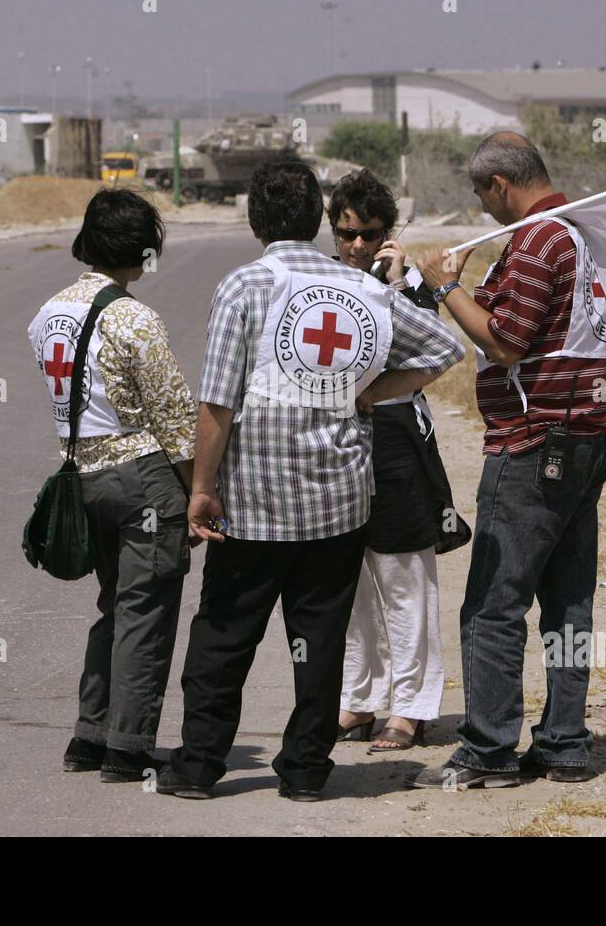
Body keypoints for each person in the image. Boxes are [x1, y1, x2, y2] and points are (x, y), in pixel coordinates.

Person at [157, 162, 464, 801]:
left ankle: (197, 767)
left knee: (222, 639)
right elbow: (443, 348)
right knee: (318, 641)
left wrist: (202, 487)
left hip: (254, 502)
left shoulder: (244, 286)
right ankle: (304, 771)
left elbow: (216, 404)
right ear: (318, 218)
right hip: (339, 504)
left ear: (255, 221)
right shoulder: (367, 293)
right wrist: (372, 392)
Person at [409, 133, 606, 789]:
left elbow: (504, 342)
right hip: (585, 439)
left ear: (500, 184)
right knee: (567, 601)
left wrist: (445, 287)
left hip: (533, 446)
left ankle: (490, 747)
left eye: (482, 195)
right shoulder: (582, 231)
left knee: (494, 604)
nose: (485, 207)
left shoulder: (536, 241)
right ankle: (563, 740)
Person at [26, 188, 198, 784]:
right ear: (142, 249)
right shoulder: (135, 319)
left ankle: (89, 736)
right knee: (144, 612)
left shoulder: (48, 312)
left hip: (83, 479)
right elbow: (175, 419)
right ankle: (128, 748)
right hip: (142, 479)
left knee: (113, 608)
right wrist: (198, 491)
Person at [325, 169, 469, 752]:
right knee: (349, 579)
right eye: (346, 234)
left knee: (403, 578)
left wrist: (398, 279)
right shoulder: (320, 284)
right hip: (333, 444)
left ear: (390, 234)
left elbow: (437, 350)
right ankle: (359, 699)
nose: (356, 246)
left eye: (370, 234)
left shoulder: (406, 287)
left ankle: (410, 708)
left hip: (393, 441)